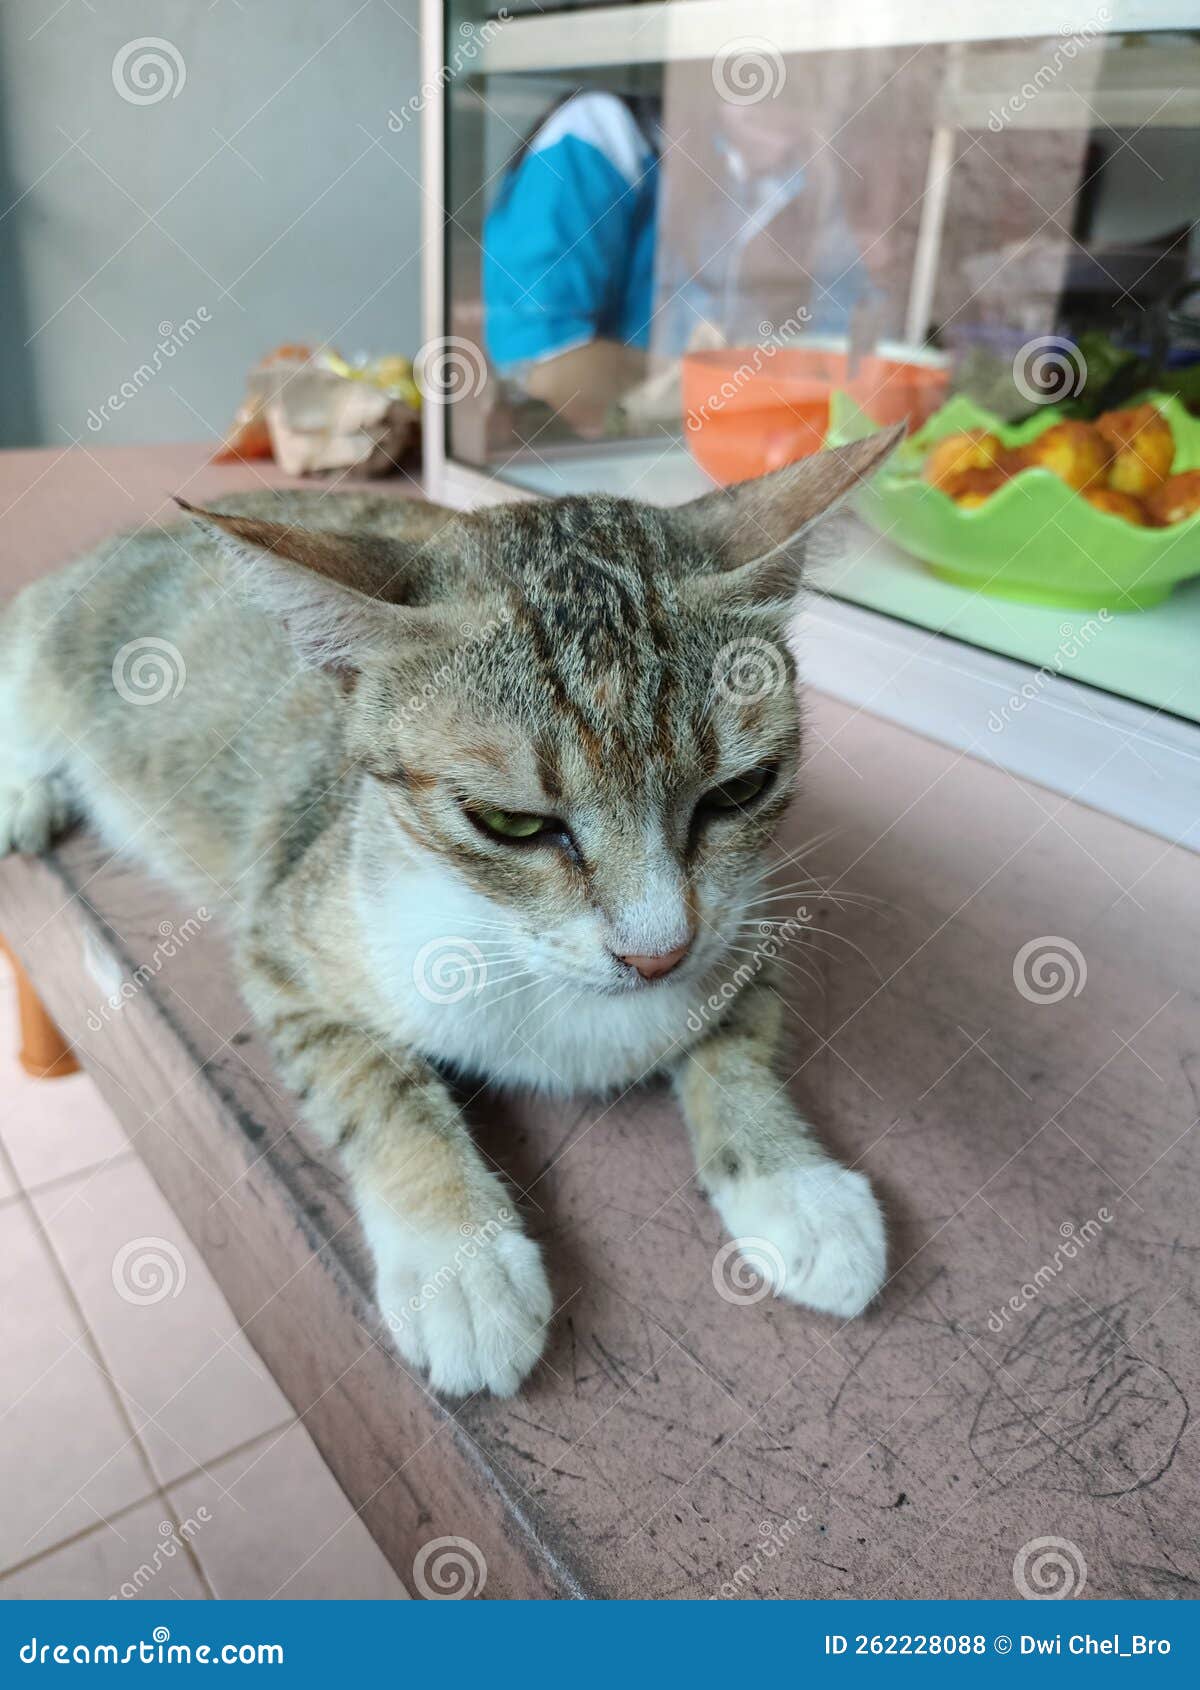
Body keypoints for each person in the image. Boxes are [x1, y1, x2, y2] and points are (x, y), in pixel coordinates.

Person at [482, 84, 877, 435]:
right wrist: (716, 387)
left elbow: (849, 344)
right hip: (604, 461)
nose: (787, 131)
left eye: (808, 99)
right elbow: (543, 370)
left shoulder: (810, 170)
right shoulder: (603, 133)